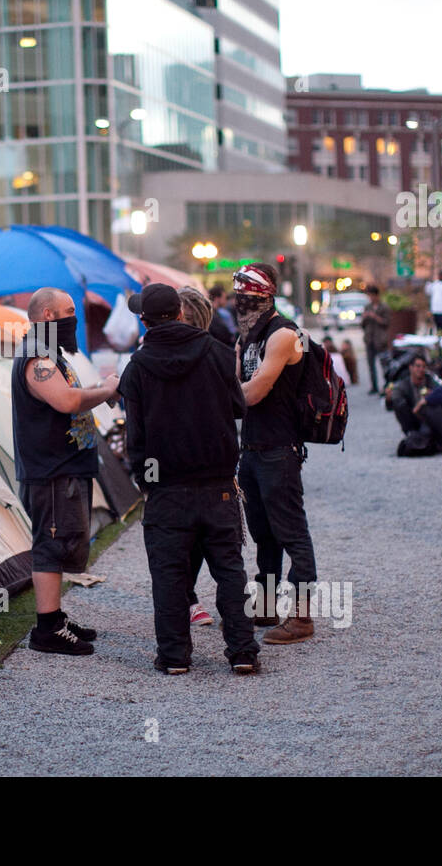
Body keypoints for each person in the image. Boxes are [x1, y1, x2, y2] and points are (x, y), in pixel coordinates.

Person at [119, 284, 258, 675]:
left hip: (165, 486)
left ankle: (175, 656)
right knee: (230, 570)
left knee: (168, 574)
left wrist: (146, 482)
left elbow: (136, 437)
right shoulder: (216, 351)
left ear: (144, 320)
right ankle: (243, 650)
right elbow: (238, 406)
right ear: (180, 313)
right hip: (217, 483)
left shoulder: (139, 367)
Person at [11, 287, 120, 656]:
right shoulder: (36, 357)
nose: (74, 318)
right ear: (46, 316)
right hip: (51, 471)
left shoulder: (50, 353)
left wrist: (99, 389)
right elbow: (66, 400)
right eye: (68, 311)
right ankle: (46, 631)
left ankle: (55, 618)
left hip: (65, 467)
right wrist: (105, 390)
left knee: (64, 543)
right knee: (51, 546)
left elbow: (69, 393)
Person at [234, 263, 318, 644]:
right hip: (251, 448)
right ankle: (266, 606)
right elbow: (236, 383)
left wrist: (215, 402)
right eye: (239, 297)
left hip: (280, 448)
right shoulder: (246, 338)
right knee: (263, 533)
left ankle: (301, 617)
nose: (241, 304)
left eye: (247, 297)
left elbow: (255, 390)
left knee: (291, 531)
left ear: (265, 297)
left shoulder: (283, 334)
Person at [176, 286, 229, 628]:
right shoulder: (154, 351)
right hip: (175, 462)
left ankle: (204, 602)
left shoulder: (214, 349)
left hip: (208, 461)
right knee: (184, 538)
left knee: (209, 539)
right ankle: (188, 599)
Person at [385, 354, 439, 435]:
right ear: (411, 367)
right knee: (399, 404)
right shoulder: (403, 384)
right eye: (418, 366)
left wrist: (432, 396)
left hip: (429, 419)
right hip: (412, 419)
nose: (421, 369)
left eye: (423, 367)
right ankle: (411, 432)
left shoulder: (431, 382)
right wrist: (389, 398)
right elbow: (391, 406)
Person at [359, 286, 392, 395]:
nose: (370, 298)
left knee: (384, 364)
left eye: (372, 295)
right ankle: (374, 386)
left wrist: (375, 317)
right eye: (369, 295)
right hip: (369, 339)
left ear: (377, 295)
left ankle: (386, 386)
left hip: (380, 340)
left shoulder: (384, 307)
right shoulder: (367, 307)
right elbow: (362, 325)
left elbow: (387, 323)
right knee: (370, 365)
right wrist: (364, 317)